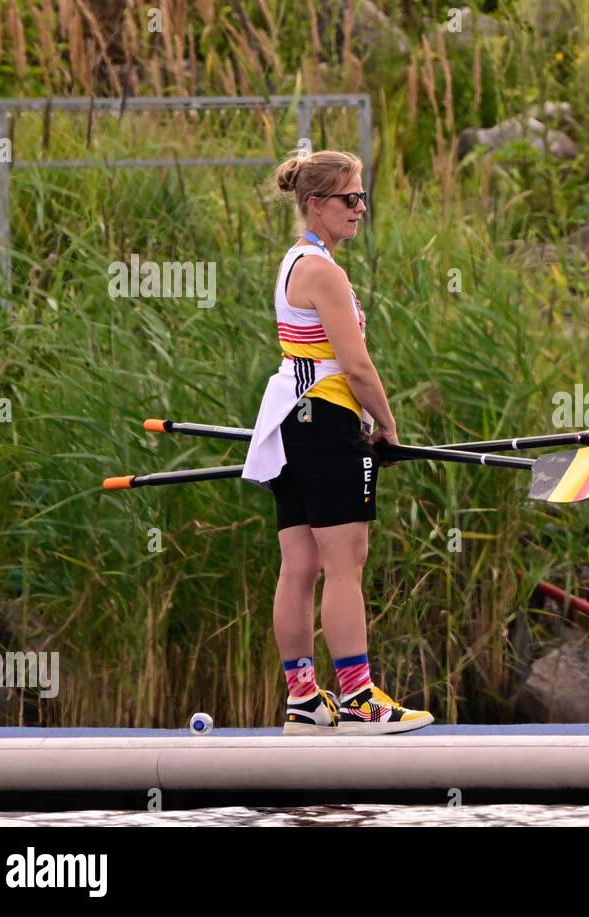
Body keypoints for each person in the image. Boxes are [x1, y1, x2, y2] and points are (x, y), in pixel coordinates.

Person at [242, 149, 433, 736]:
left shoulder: (294, 261)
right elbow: (356, 365)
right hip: (326, 422)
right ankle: (358, 699)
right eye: (349, 199)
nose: (360, 209)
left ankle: (304, 700)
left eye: (362, 197)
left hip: (287, 425)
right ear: (315, 204)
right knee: (345, 563)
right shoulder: (325, 271)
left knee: (298, 566)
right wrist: (388, 426)